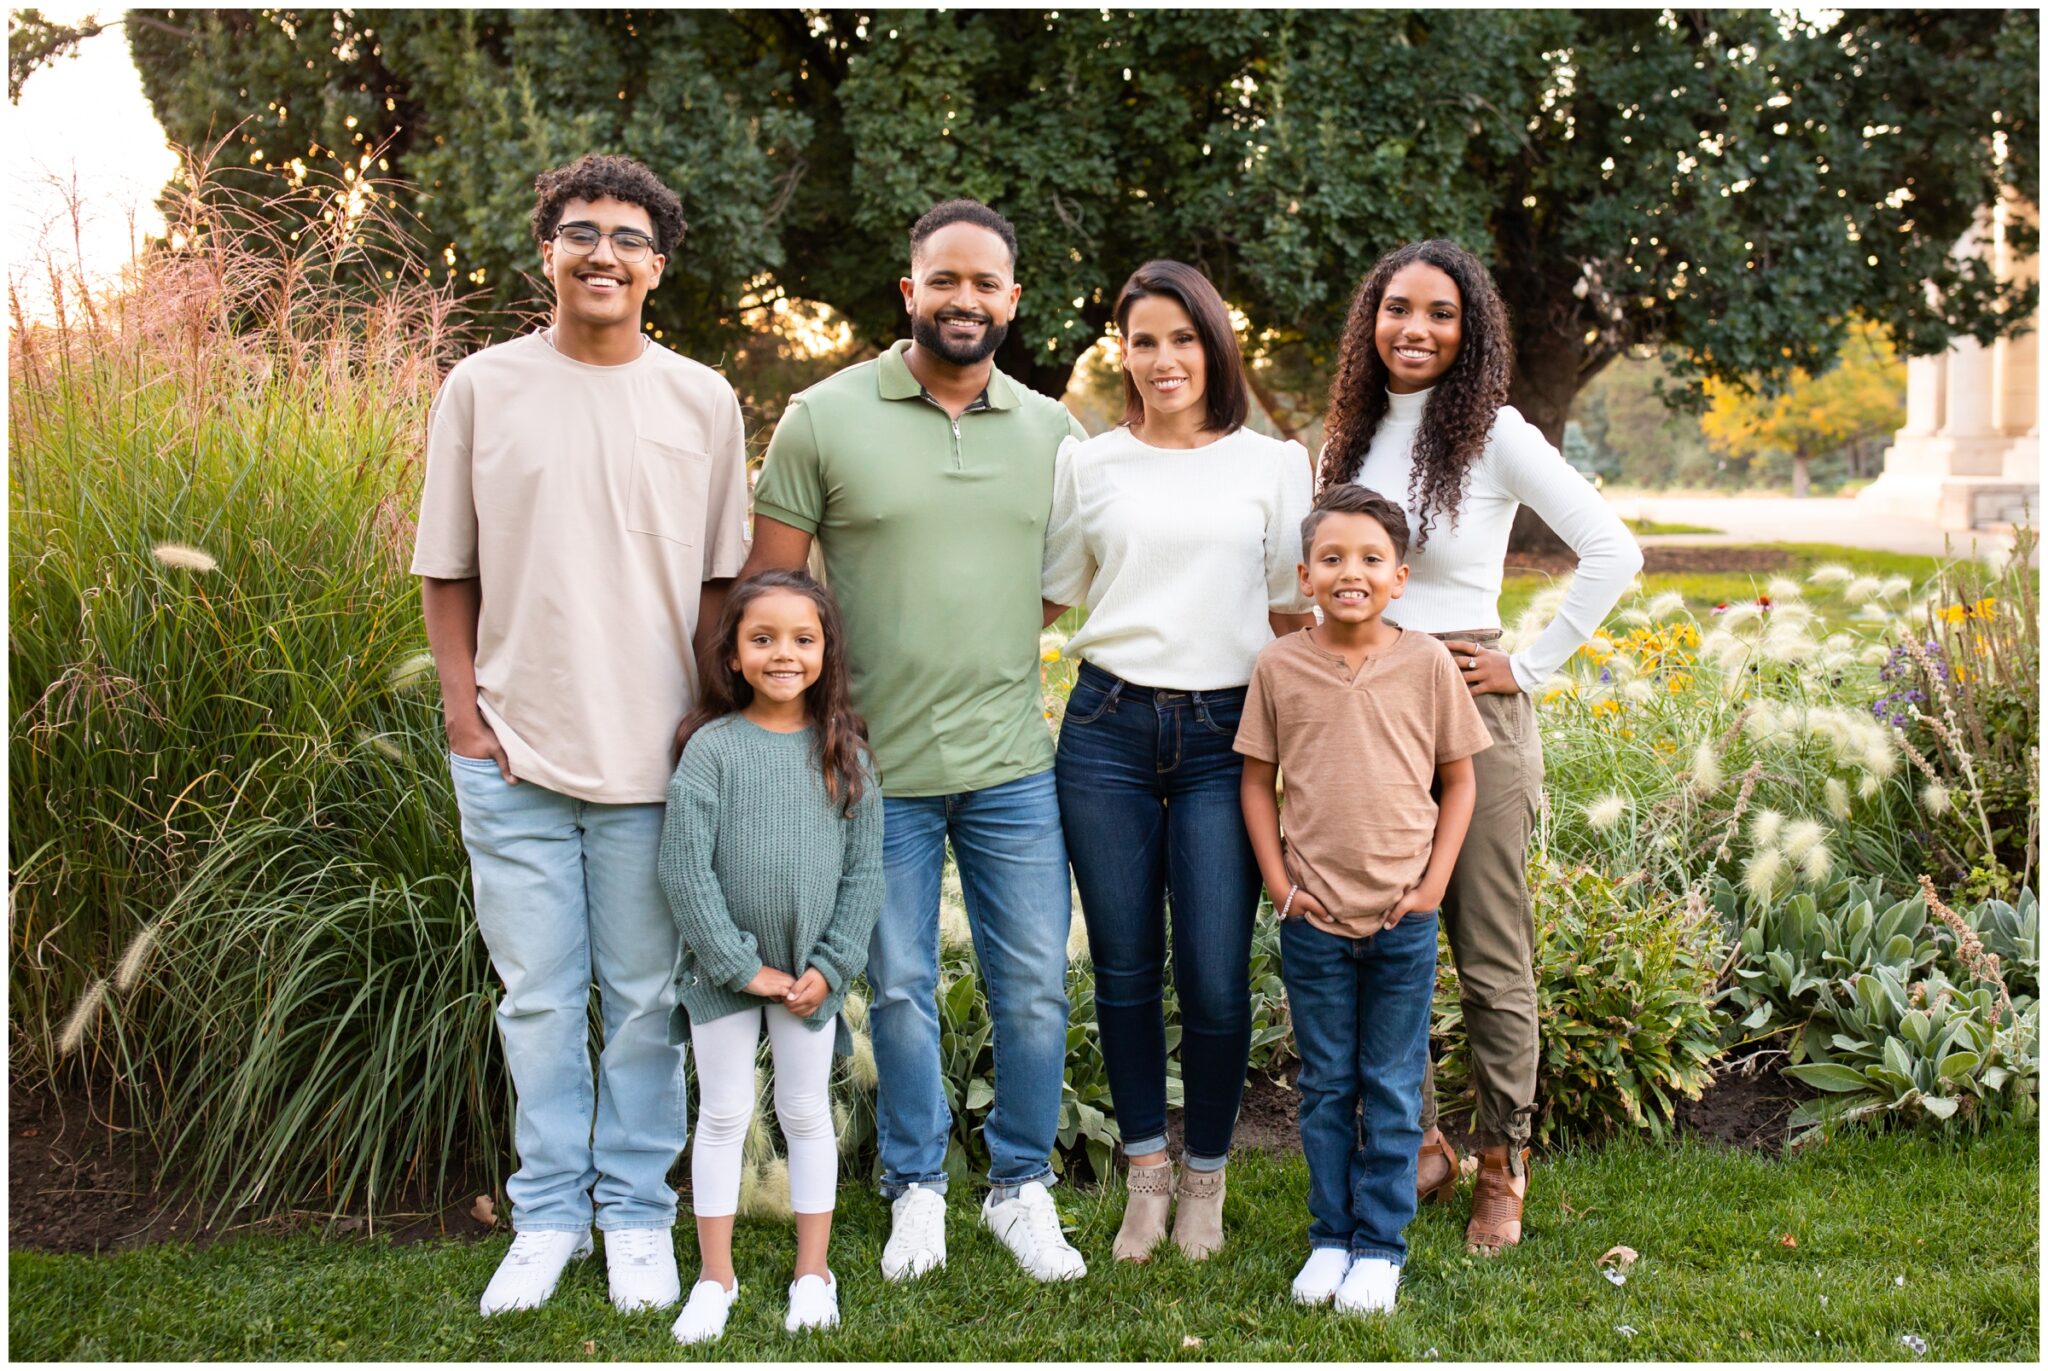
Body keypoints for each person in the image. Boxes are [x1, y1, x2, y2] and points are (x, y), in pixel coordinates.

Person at [412, 153, 751, 1316]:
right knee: (539, 1002)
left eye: (626, 238)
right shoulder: (481, 388)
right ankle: (549, 1214)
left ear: (658, 268)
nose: (602, 253)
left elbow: (719, 588)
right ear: (545, 253)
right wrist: (464, 717)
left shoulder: (702, 400)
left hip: (653, 764)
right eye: (580, 233)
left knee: (646, 1001)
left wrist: (704, 728)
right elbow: (447, 569)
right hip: (512, 756)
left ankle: (637, 1215)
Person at [741, 199, 1092, 1283]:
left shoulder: (1054, 434)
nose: (963, 299)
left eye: (985, 283)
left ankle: (1020, 1185)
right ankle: (916, 1188)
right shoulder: (822, 417)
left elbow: (1053, 585)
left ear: (1013, 301)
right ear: (909, 291)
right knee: (896, 988)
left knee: (1032, 986)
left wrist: (978, 634)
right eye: (944, 279)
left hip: (1011, 767)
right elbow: (769, 594)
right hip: (868, 769)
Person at [1316, 239, 1644, 1253]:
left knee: (1490, 953)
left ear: (1470, 331)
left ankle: (1502, 1161)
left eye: (1439, 313)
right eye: (1396, 309)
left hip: (1470, 705)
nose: (1413, 329)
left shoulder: (1495, 433)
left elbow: (1613, 549)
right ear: (1370, 321)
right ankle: (1418, 1142)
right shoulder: (1345, 438)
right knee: (1376, 933)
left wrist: (1529, 666)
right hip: (1365, 707)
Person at [1040, 260, 1313, 1263]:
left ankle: (1206, 1179)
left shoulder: (1272, 465)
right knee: (1121, 970)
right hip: (1105, 729)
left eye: (1182, 338)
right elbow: (1051, 594)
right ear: (1122, 352)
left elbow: (1291, 612)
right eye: (1143, 340)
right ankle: (1145, 1178)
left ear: (1215, 346)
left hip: (1225, 737)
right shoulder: (1088, 463)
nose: (1163, 359)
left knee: (1212, 974)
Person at [1236, 484, 1490, 1314]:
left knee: (1389, 1085)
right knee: (1325, 1084)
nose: (1352, 572)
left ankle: (1380, 1245)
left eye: (1371, 558)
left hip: (1401, 919)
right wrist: (1282, 887)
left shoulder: (1427, 664)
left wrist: (1432, 887)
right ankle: (1330, 1236)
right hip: (1314, 920)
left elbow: (1459, 781)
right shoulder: (1279, 667)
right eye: (1333, 558)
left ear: (1400, 577)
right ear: (1305, 576)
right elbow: (1256, 781)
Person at [658, 569, 883, 1344]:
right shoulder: (711, 750)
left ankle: (812, 1272)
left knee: (805, 1111)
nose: (783, 653)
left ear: (825, 651)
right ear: (733, 654)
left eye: (801, 638)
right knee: (723, 1113)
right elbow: (684, 869)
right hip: (726, 971)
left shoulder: (846, 755)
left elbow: (864, 876)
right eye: (763, 638)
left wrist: (832, 965)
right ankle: (714, 1276)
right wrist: (737, 963)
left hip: (810, 972)